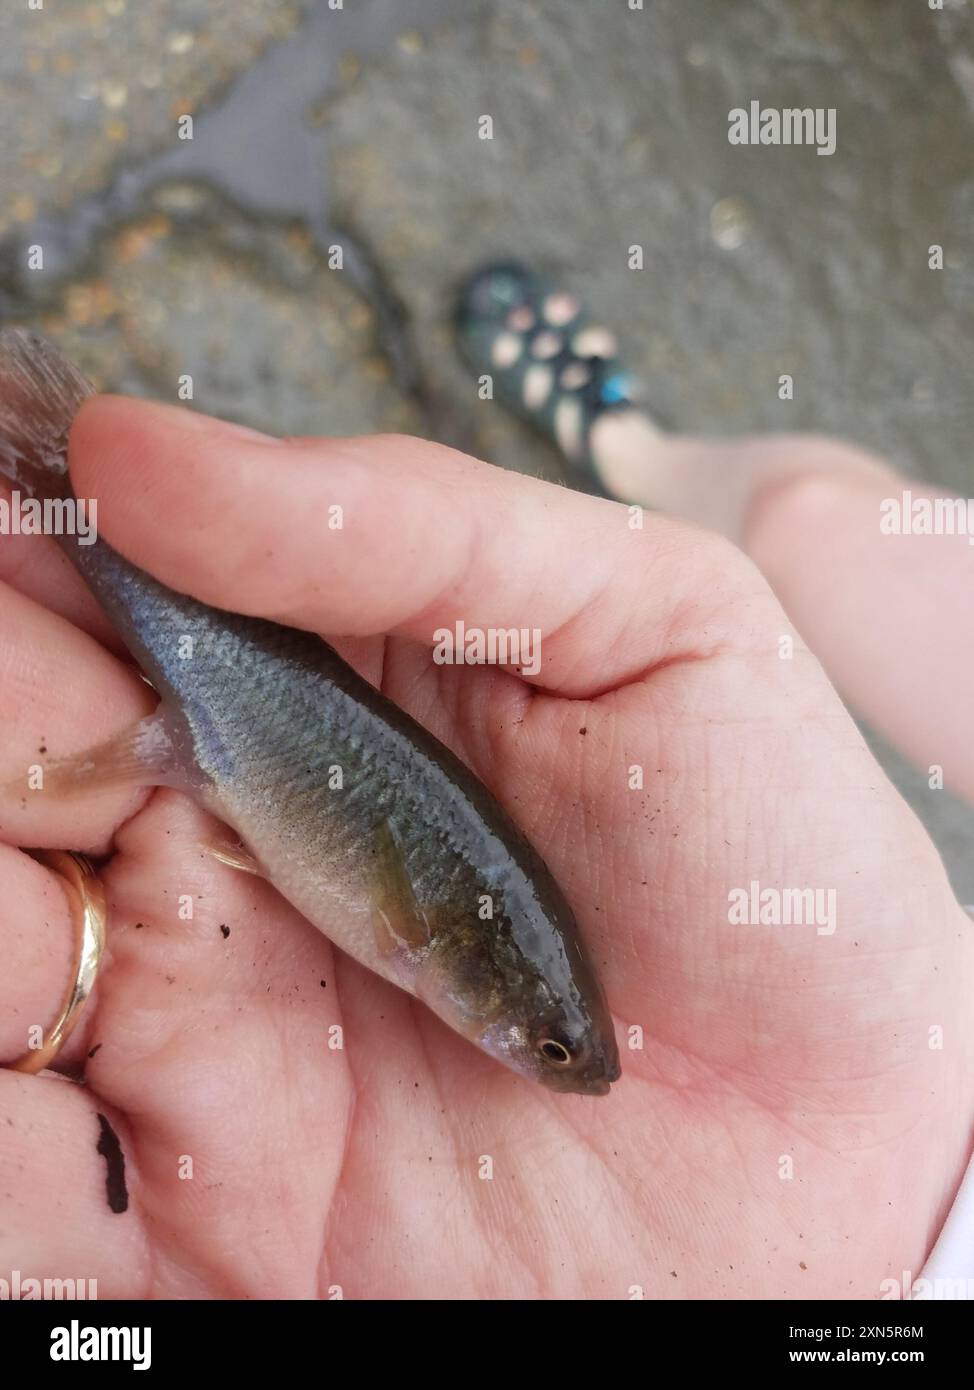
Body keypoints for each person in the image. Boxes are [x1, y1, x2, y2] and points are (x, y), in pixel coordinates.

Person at [0, 379, 971, 1297]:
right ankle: (46, 443)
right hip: (234, 716)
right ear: (487, 972)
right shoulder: (444, 931)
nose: (547, 1064)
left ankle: (626, 437)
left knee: (806, 514)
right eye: (547, 1045)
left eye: (546, 1052)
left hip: (227, 729)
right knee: (807, 517)